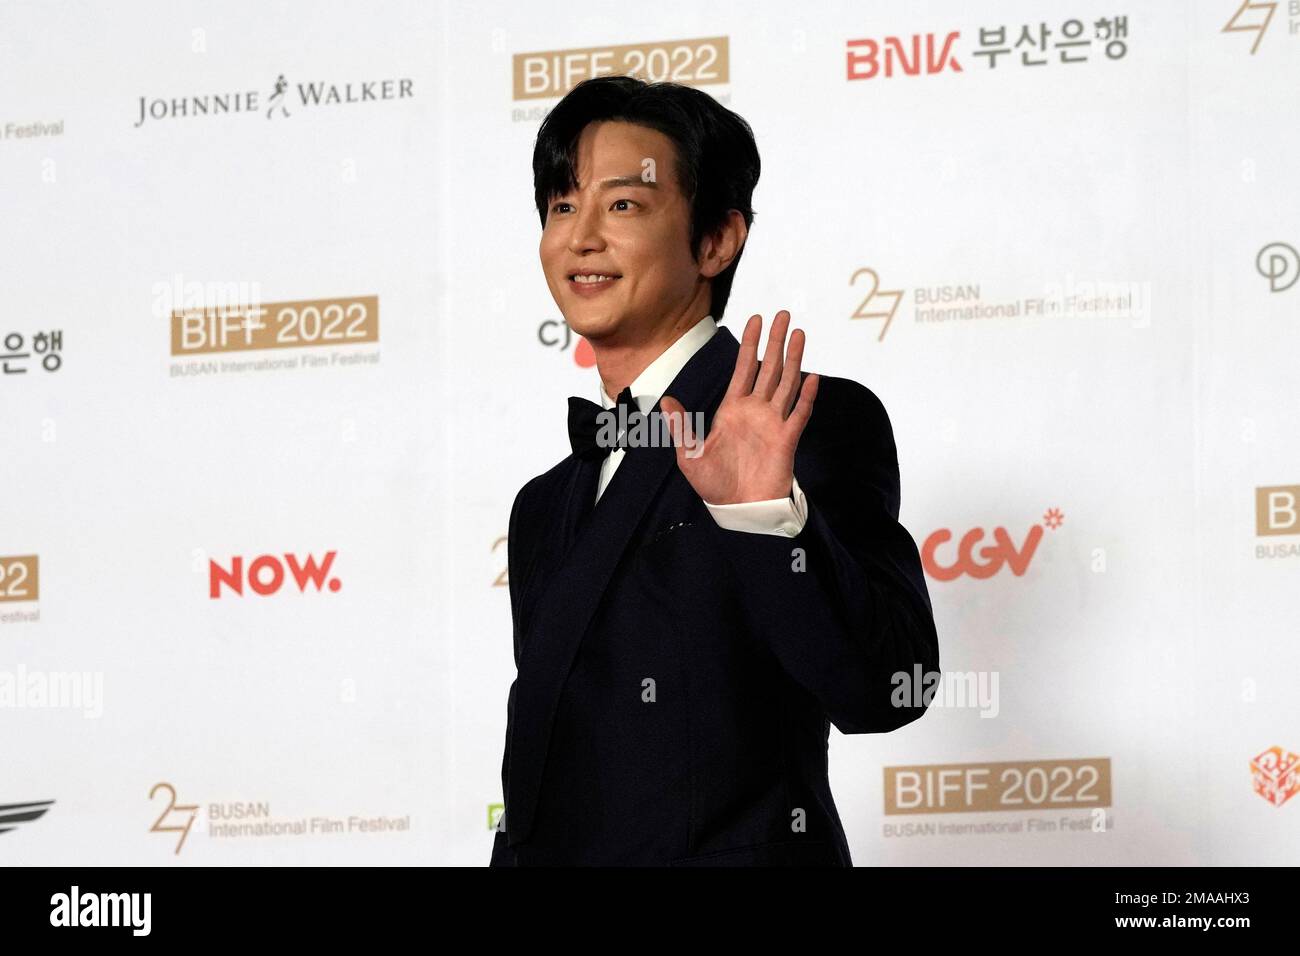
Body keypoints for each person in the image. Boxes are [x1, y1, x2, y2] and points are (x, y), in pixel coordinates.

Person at [490, 75, 939, 866]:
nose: (580, 237)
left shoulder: (809, 421)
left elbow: (889, 687)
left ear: (715, 241)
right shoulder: (543, 504)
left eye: (623, 205)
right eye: (563, 205)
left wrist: (764, 514)